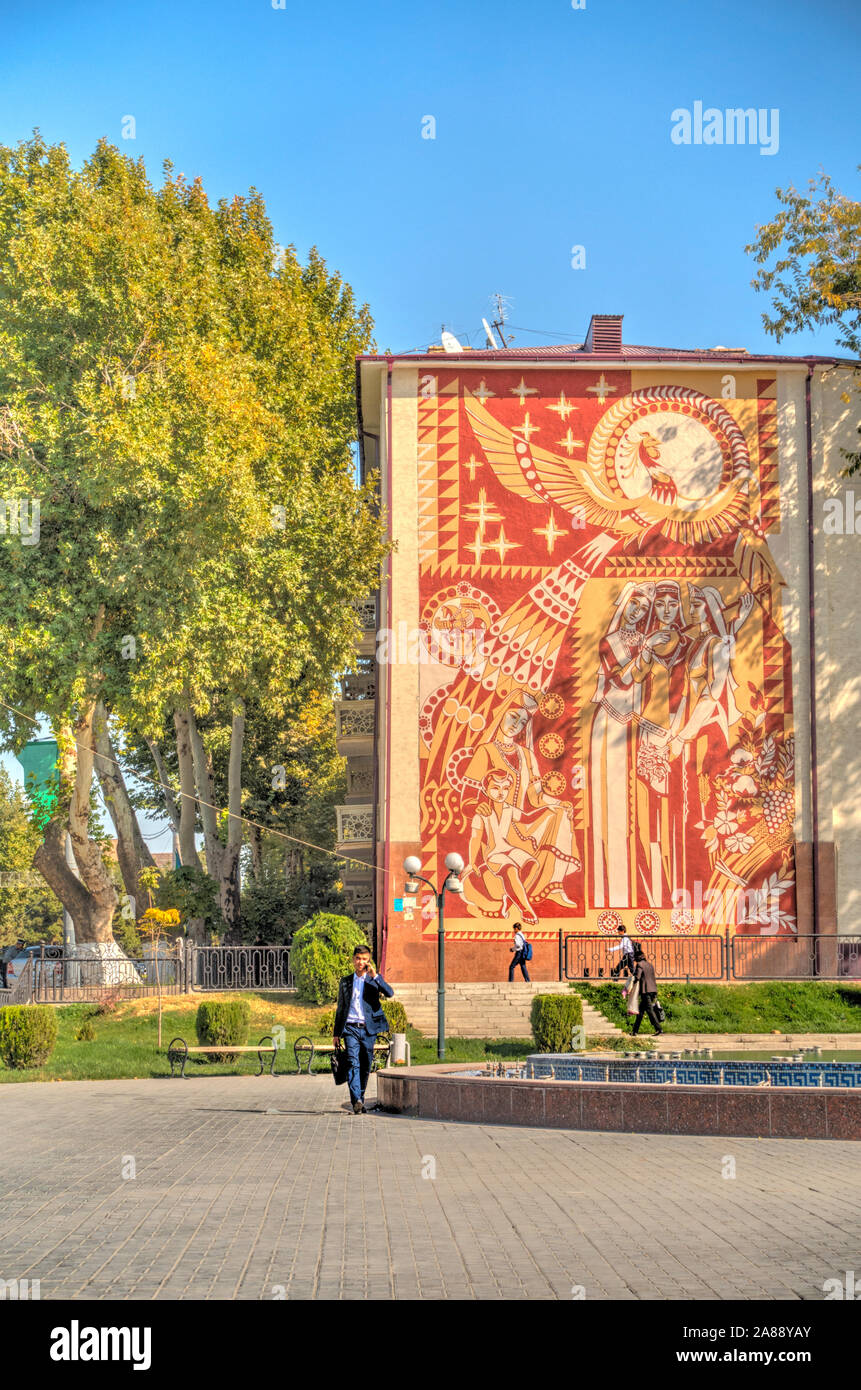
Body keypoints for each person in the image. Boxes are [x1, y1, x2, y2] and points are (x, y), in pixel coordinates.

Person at [333, 945, 394, 1114]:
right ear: (353, 960)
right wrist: (336, 1033)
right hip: (350, 1028)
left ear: (369, 961)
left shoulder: (372, 980)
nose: (361, 962)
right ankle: (357, 1101)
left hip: (368, 1029)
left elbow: (390, 993)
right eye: (358, 958)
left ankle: (360, 1096)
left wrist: (375, 976)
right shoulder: (345, 981)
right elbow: (341, 1008)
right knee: (353, 1062)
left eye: (364, 959)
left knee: (366, 1064)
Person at [629, 945, 663, 1036]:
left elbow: (638, 977)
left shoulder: (639, 965)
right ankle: (634, 1031)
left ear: (637, 958)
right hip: (653, 990)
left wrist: (630, 984)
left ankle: (658, 1028)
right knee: (640, 1012)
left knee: (649, 1010)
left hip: (645, 991)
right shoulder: (649, 965)